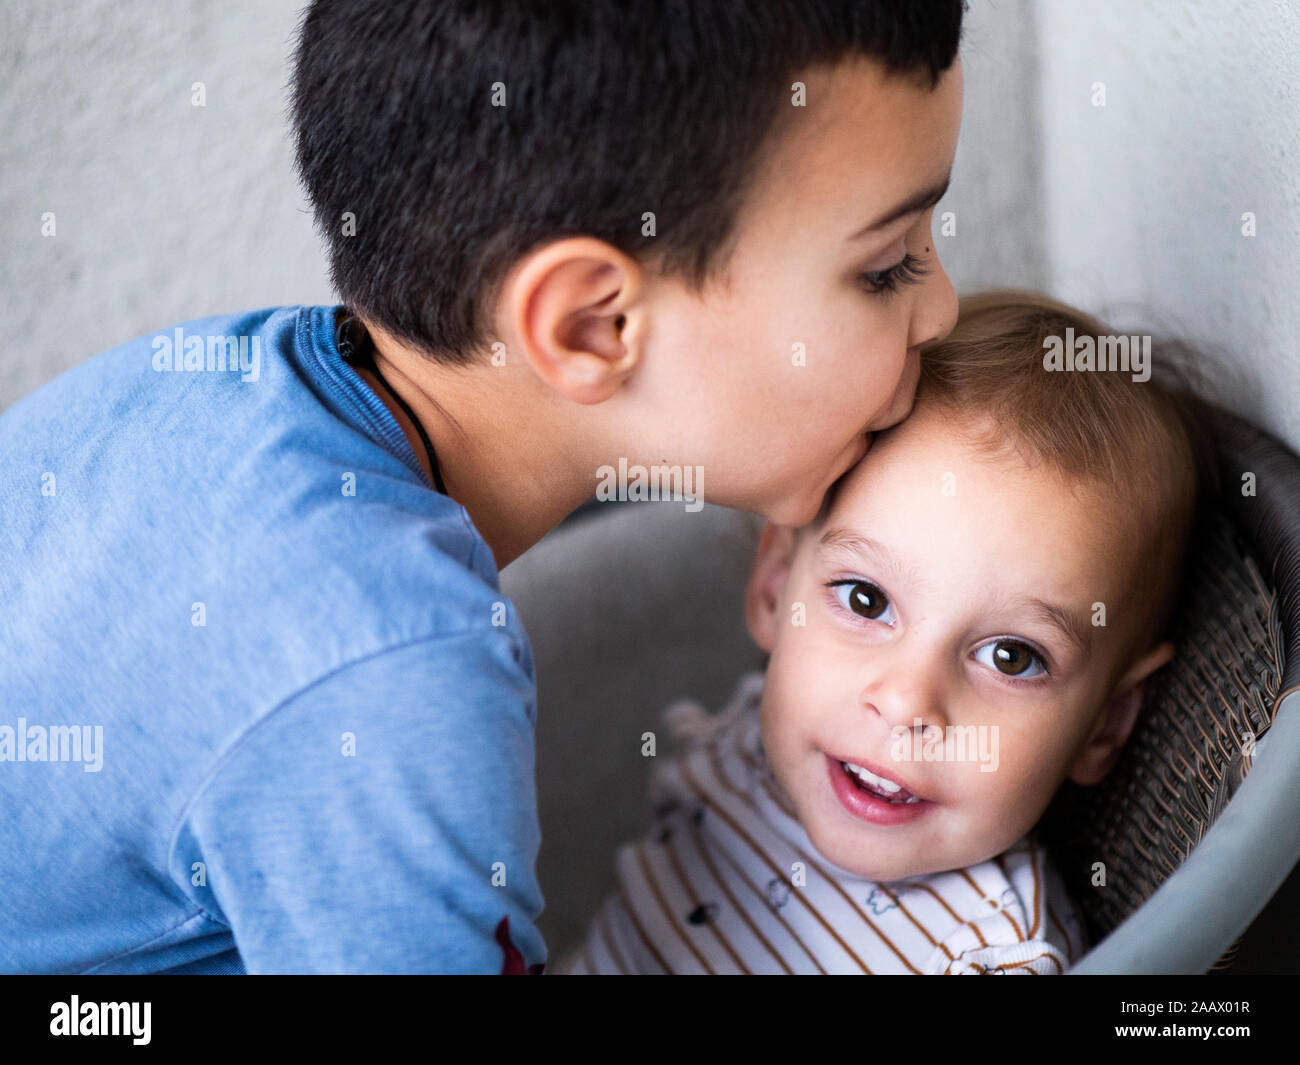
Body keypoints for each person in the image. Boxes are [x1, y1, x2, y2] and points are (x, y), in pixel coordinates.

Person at [0, 2, 964, 973]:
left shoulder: (203, 380)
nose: (943, 310)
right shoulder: (387, 672)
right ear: (592, 327)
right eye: (885, 269)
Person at [558, 293, 1218, 974]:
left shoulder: (989, 957)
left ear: (1106, 722)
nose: (906, 701)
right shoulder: (750, 743)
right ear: (776, 583)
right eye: (867, 599)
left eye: (1010, 656)